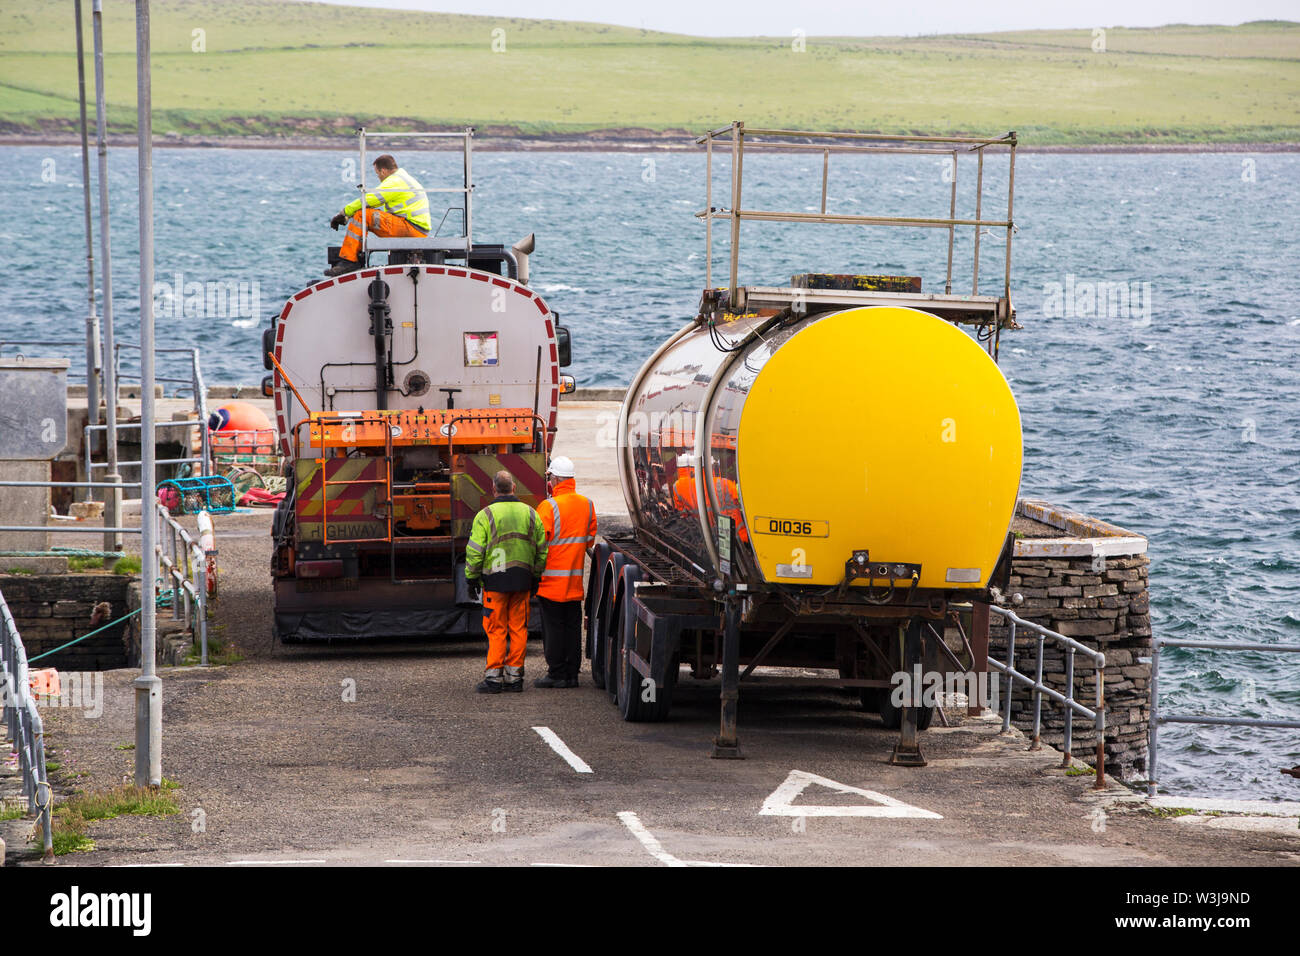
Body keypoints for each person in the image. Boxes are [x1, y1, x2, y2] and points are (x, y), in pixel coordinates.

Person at [464, 470, 548, 693]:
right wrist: (537, 576)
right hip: (522, 580)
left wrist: (471, 578)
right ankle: (515, 678)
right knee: (519, 629)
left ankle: (493, 679)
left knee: (496, 629)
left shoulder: (486, 515)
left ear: (493, 489)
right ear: (514, 488)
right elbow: (542, 549)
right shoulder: (531, 513)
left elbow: (475, 551)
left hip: (495, 582)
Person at [533, 456, 598, 688]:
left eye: (550, 476)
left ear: (556, 479)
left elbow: (539, 544)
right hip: (574, 582)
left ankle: (556, 673)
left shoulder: (548, 506)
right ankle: (571, 674)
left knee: (553, 629)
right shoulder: (587, 504)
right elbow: (589, 540)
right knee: (572, 628)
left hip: (551, 582)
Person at [325, 154, 431, 276]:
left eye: (377, 174)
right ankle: (354, 255)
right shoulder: (403, 178)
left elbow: (370, 199)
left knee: (362, 215)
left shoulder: (395, 181)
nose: (379, 177)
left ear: (383, 171)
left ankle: (350, 260)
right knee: (366, 213)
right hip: (416, 228)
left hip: (411, 228)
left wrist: (344, 213)